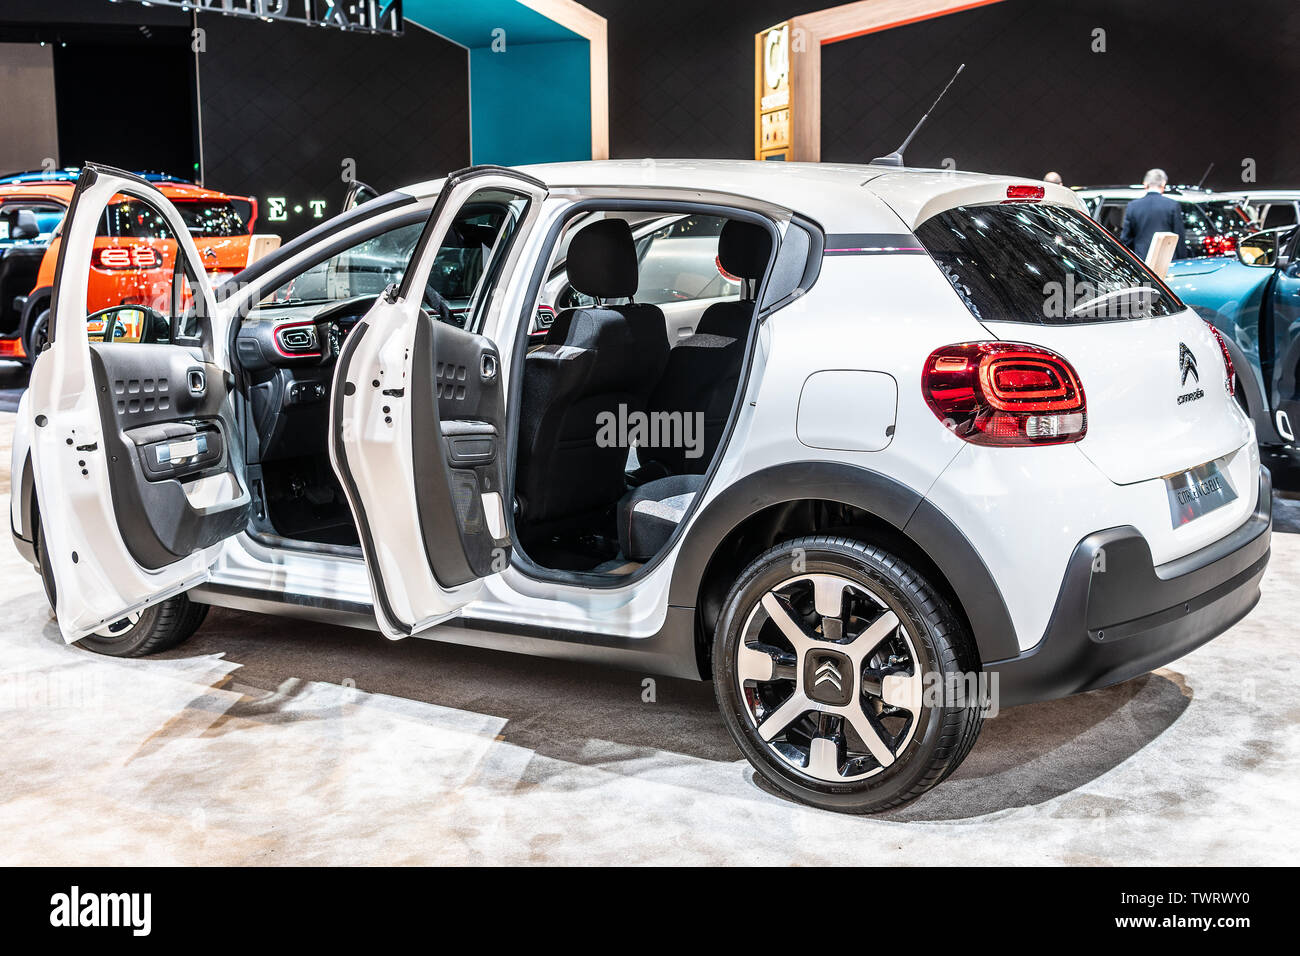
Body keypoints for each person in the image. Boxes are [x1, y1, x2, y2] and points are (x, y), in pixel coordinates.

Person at [1120, 168, 1185, 260]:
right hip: (1167, 261)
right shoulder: (1173, 205)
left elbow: (1126, 239)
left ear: (1145, 184)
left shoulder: (1133, 206)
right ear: (1163, 184)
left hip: (1141, 261)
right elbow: (1179, 237)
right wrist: (1182, 259)